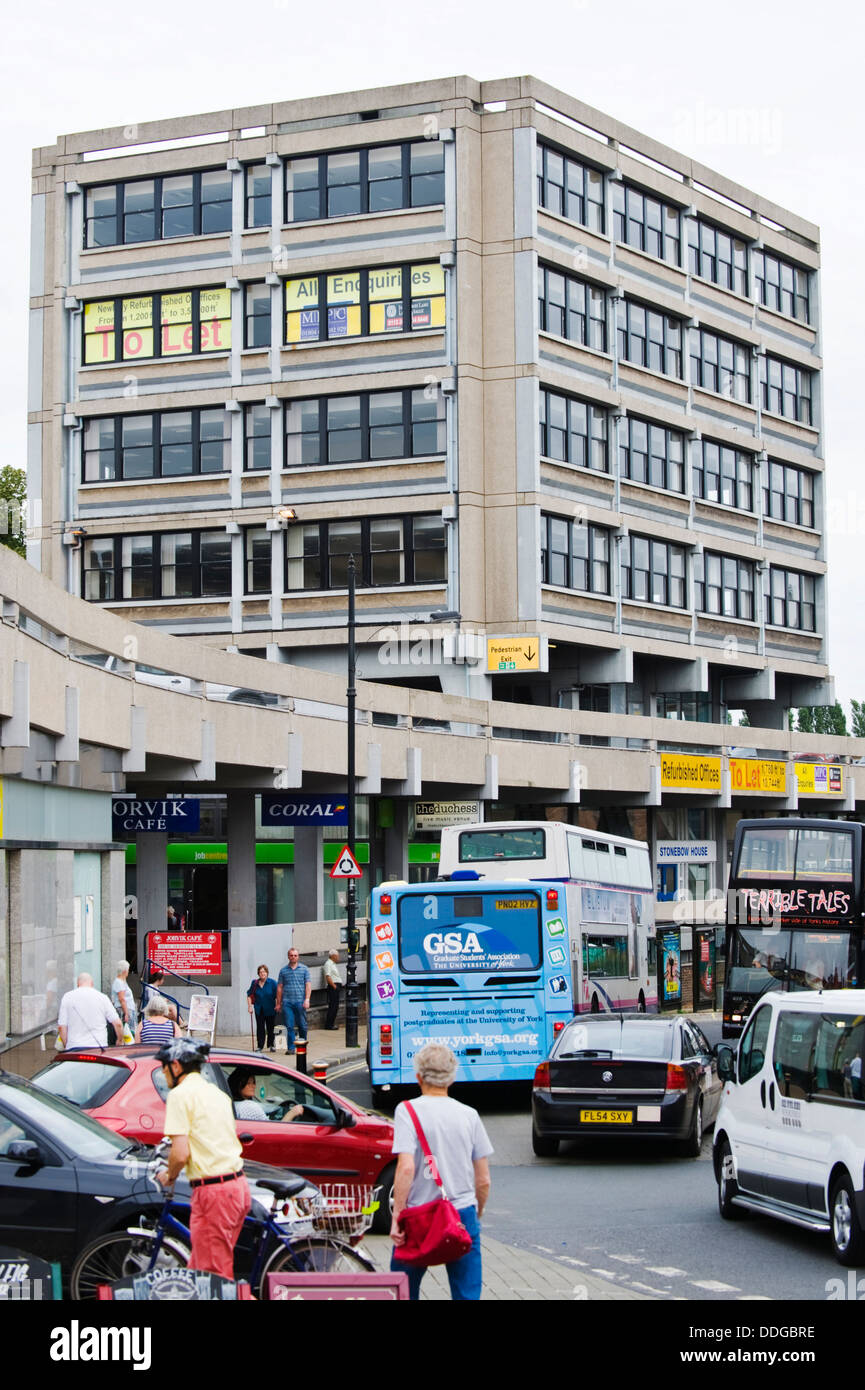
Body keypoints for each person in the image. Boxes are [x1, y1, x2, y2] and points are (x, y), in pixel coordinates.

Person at [390, 1041, 492, 1302]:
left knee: (401, 1290)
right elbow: (483, 1180)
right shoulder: (469, 1115)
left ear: (418, 1077)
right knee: (467, 1293)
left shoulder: (407, 1111)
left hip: (418, 1216)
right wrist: (474, 1213)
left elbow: (406, 1168)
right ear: (452, 1078)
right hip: (461, 1213)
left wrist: (397, 1217)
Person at [156, 1038, 251, 1280]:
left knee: (214, 1278)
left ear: (176, 1066)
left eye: (164, 1067)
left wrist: (169, 1175)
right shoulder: (216, 1094)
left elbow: (179, 1153)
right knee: (200, 1271)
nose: (163, 1072)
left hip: (213, 1193)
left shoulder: (180, 1096)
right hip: (237, 1188)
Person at [58, 973, 122, 1050]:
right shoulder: (102, 998)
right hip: (99, 1047)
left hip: (74, 1046)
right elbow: (118, 1024)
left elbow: (62, 1027)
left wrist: (67, 1045)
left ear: (78, 984)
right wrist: (119, 1040)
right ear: (92, 984)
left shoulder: (67, 997)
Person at [275, 947, 311, 1054]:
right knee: (289, 1025)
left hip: (300, 1001)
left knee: (302, 1025)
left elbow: (308, 985)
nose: (293, 957)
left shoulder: (304, 969)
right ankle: (291, 1048)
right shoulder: (283, 971)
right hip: (287, 1002)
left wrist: (307, 999)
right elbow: (280, 987)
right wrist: (278, 1003)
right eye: (291, 955)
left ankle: (303, 1044)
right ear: (288, 956)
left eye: (295, 955)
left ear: (298, 957)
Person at [247, 964, 278, 1051]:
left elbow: (278, 995)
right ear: (258, 974)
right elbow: (249, 995)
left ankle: (271, 1045)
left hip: (270, 1009)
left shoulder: (272, 983)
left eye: (264, 971)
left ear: (267, 973)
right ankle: (260, 1046)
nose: (262, 973)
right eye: (260, 972)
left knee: (271, 1028)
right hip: (259, 1009)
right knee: (260, 1028)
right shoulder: (255, 983)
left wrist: (278, 1005)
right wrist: (249, 1007)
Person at [111, 960, 136, 1038]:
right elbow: (122, 999)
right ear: (125, 971)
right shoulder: (119, 982)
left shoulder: (122, 982)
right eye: (128, 970)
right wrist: (126, 1013)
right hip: (124, 1010)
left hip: (126, 1009)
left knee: (128, 1033)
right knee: (128, 1033)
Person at [323, 950, 343, 1030]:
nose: (338, 957)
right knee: (333, 1006)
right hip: (333, 986)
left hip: (335, 986)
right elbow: (328, 976)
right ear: (333, 956)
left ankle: (331, 1023)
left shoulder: (333, 964)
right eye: (337, 956)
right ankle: (329, 1024)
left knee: (335, 1006)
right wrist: (334, 986)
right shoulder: (328, 964)